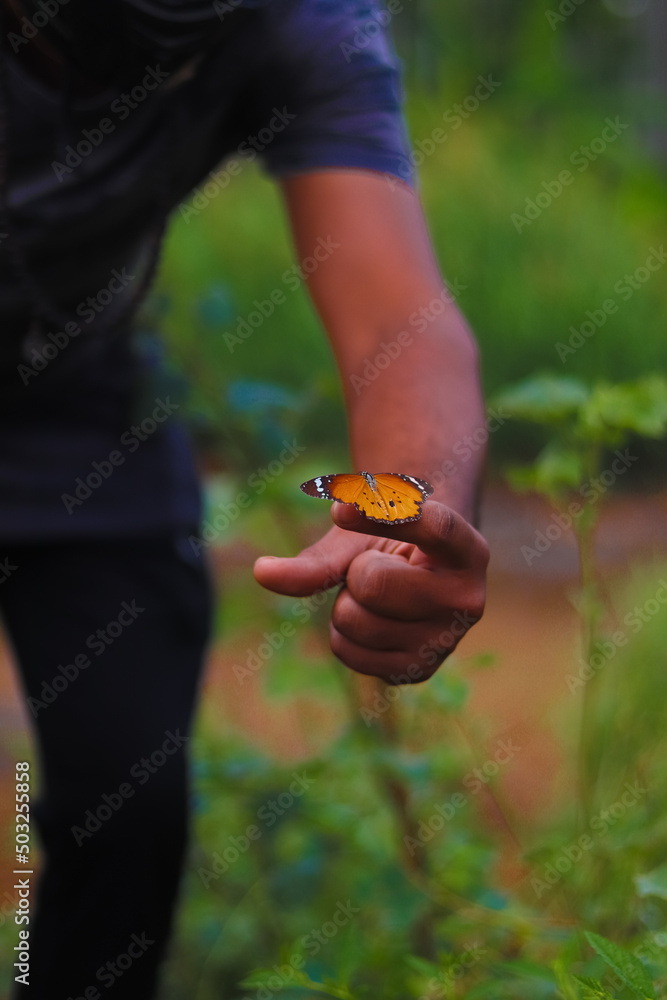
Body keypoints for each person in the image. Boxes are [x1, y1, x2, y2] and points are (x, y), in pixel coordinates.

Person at [0, 0, 489, 996]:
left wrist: (407, 516)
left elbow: (404, 321)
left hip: (82, 398)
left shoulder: (298, 21)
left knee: (128, 809)